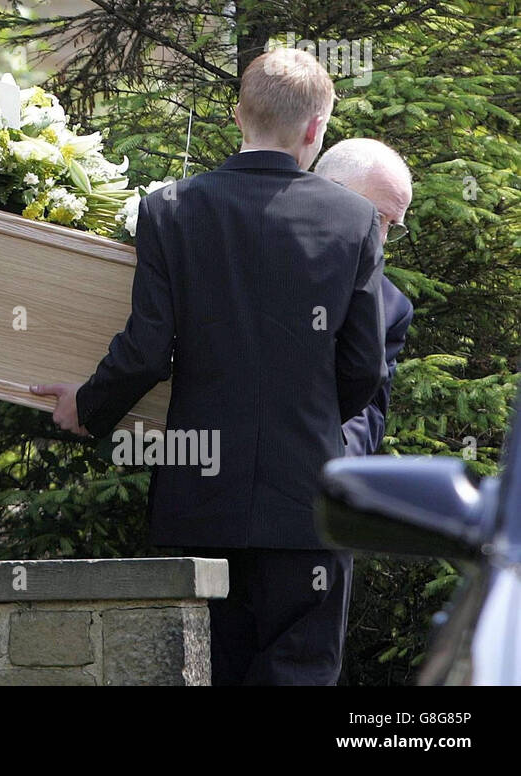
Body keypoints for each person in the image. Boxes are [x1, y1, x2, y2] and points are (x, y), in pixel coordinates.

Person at [32, 47, 388, 685]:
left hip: (199, 494)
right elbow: (363, 370)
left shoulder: (170, 209)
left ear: (237, 115)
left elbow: (146, 348)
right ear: (315, 130)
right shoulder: (355, 221)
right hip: (307, 506)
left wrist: (87, 407)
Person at [314, 139, 416, 457]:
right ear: (326, 192)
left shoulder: (391, 306)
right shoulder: (255, 251)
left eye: (392, 226)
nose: (382, 240)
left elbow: (367, 411)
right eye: (375, 218)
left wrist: (331, 461)